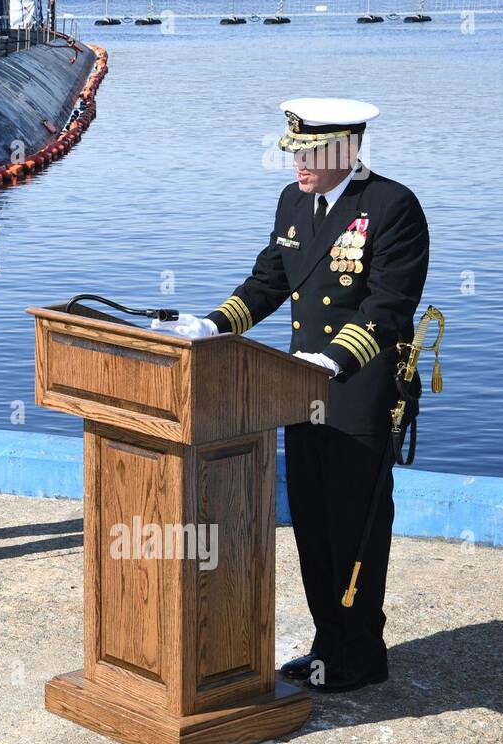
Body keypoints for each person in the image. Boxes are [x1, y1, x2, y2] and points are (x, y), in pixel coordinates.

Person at [153, 98, 429, 692]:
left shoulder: (392, 206)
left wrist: (333, 359)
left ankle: (362, 652)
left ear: (347, 149)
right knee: (311, 522)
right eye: (295, 152)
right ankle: (329, 645)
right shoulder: (294, 202)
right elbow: (269, 281)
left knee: (354, 525)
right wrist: (212, 325)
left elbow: (388, 306)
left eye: (311, 153)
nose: (298, 164)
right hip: (299, 390)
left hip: (358, 391)